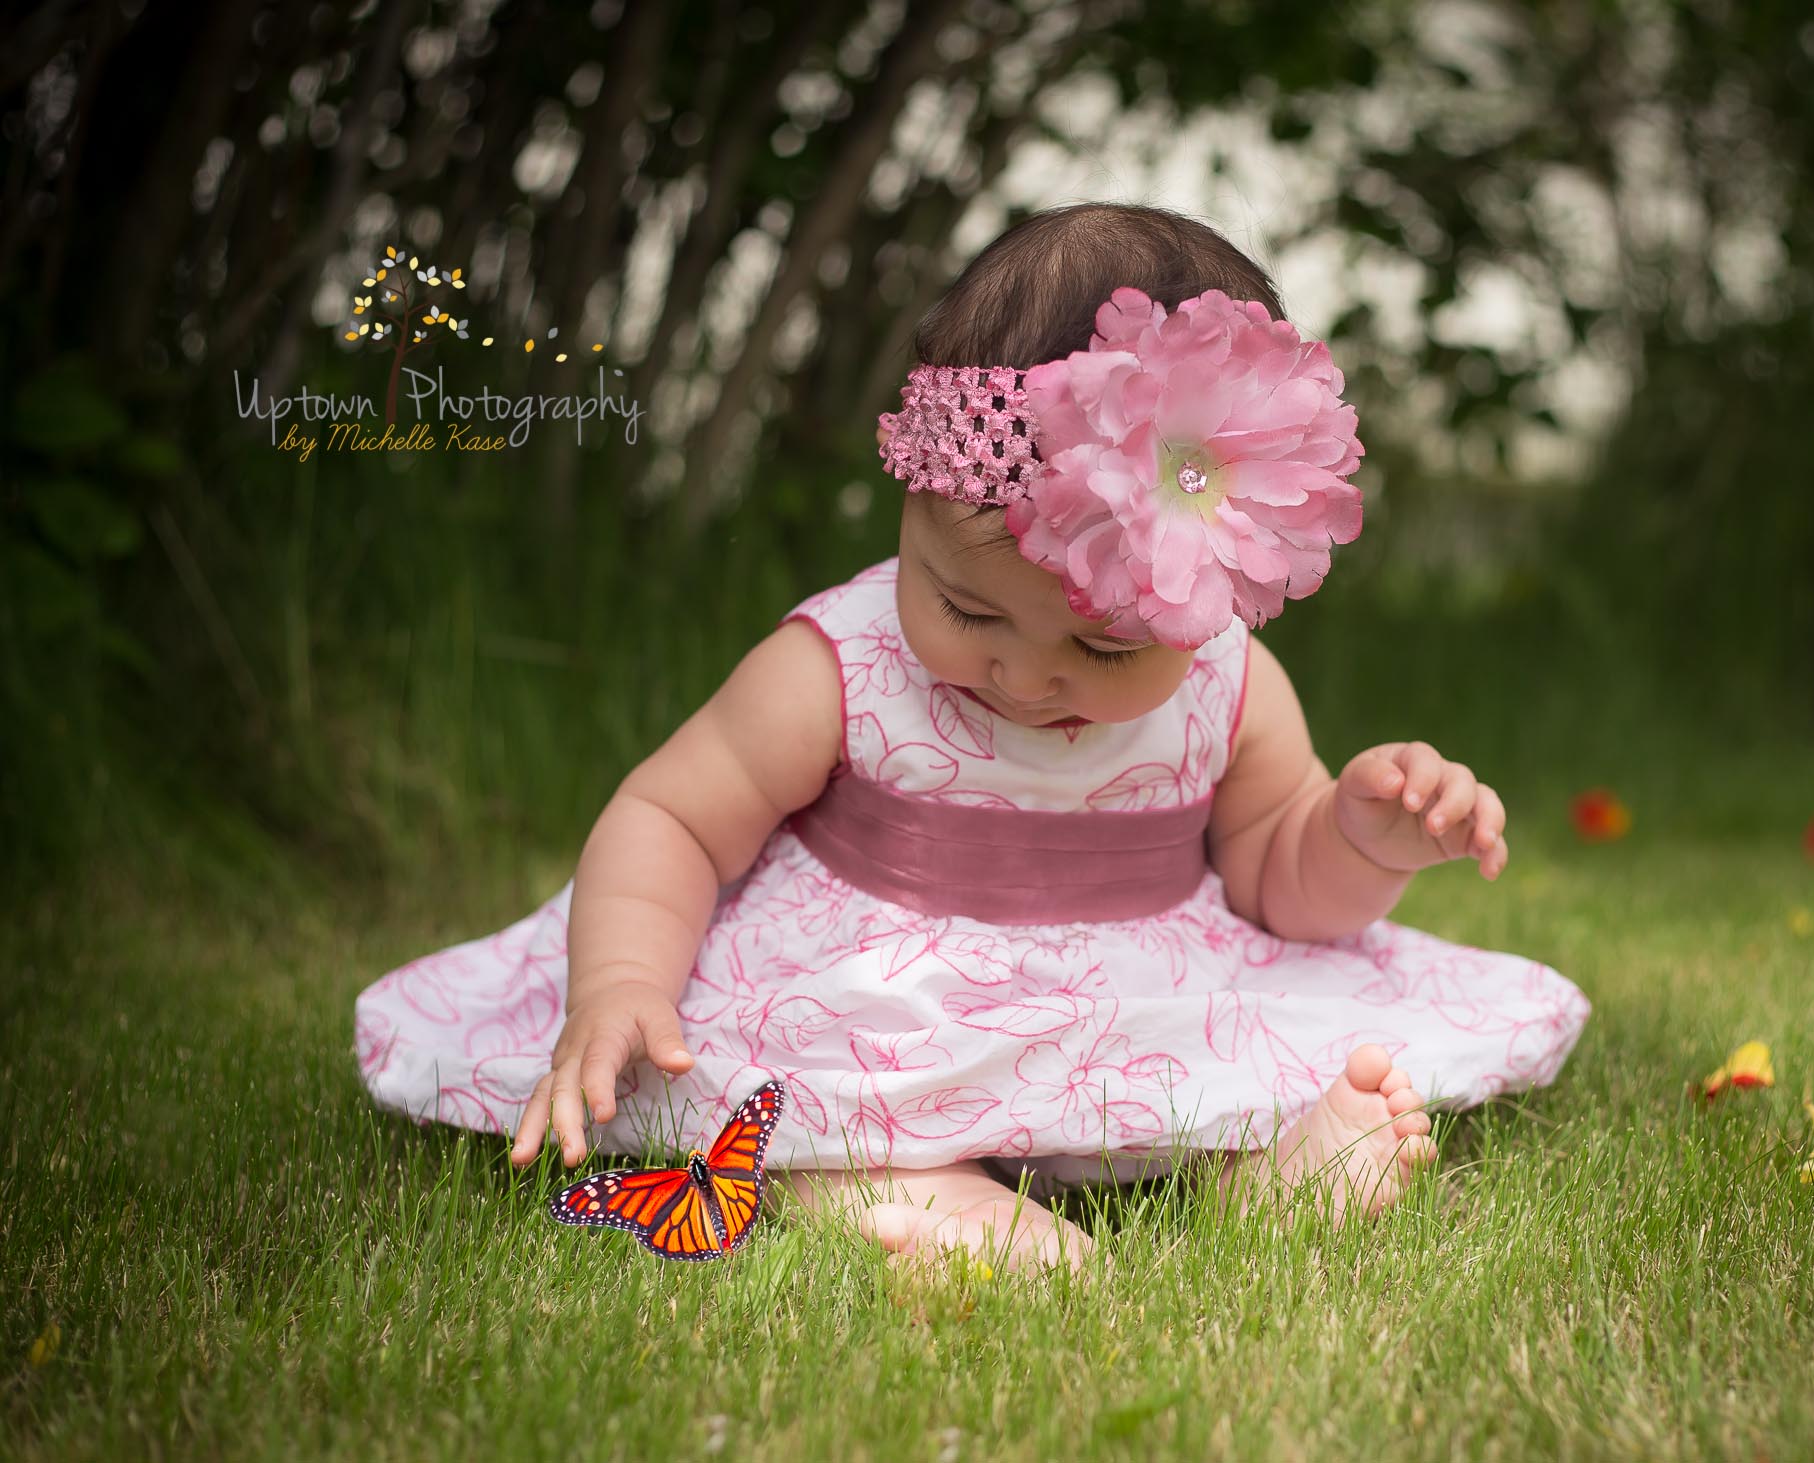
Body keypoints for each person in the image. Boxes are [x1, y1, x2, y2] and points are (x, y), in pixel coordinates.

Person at [353, 202, 1590, 1273]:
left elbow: (1280, 884)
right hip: (885, 995)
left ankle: (1258, 1177)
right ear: (912, 510)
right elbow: (672, 815)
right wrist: (622, 980)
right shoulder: (838, 666)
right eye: (964, 605)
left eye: (1105, 650)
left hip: (1125, 995)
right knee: (792, 1099)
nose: (1021, 672)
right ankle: (907, 1189)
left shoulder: (1227, 681)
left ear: (1216, 588)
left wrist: (1358, 836)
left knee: (1238, 1059)